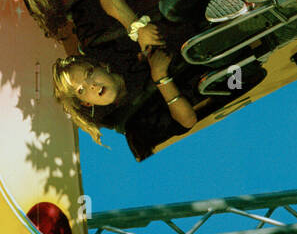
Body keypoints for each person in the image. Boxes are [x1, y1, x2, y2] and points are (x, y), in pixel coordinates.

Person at [52, 48, 198, 161]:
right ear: (86, 103)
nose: (92, 85)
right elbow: (188, 120)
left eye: (89, 74)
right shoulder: (130, 126)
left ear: (102, 66)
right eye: (81, 90)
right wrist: (160, 77)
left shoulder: (127, 53)